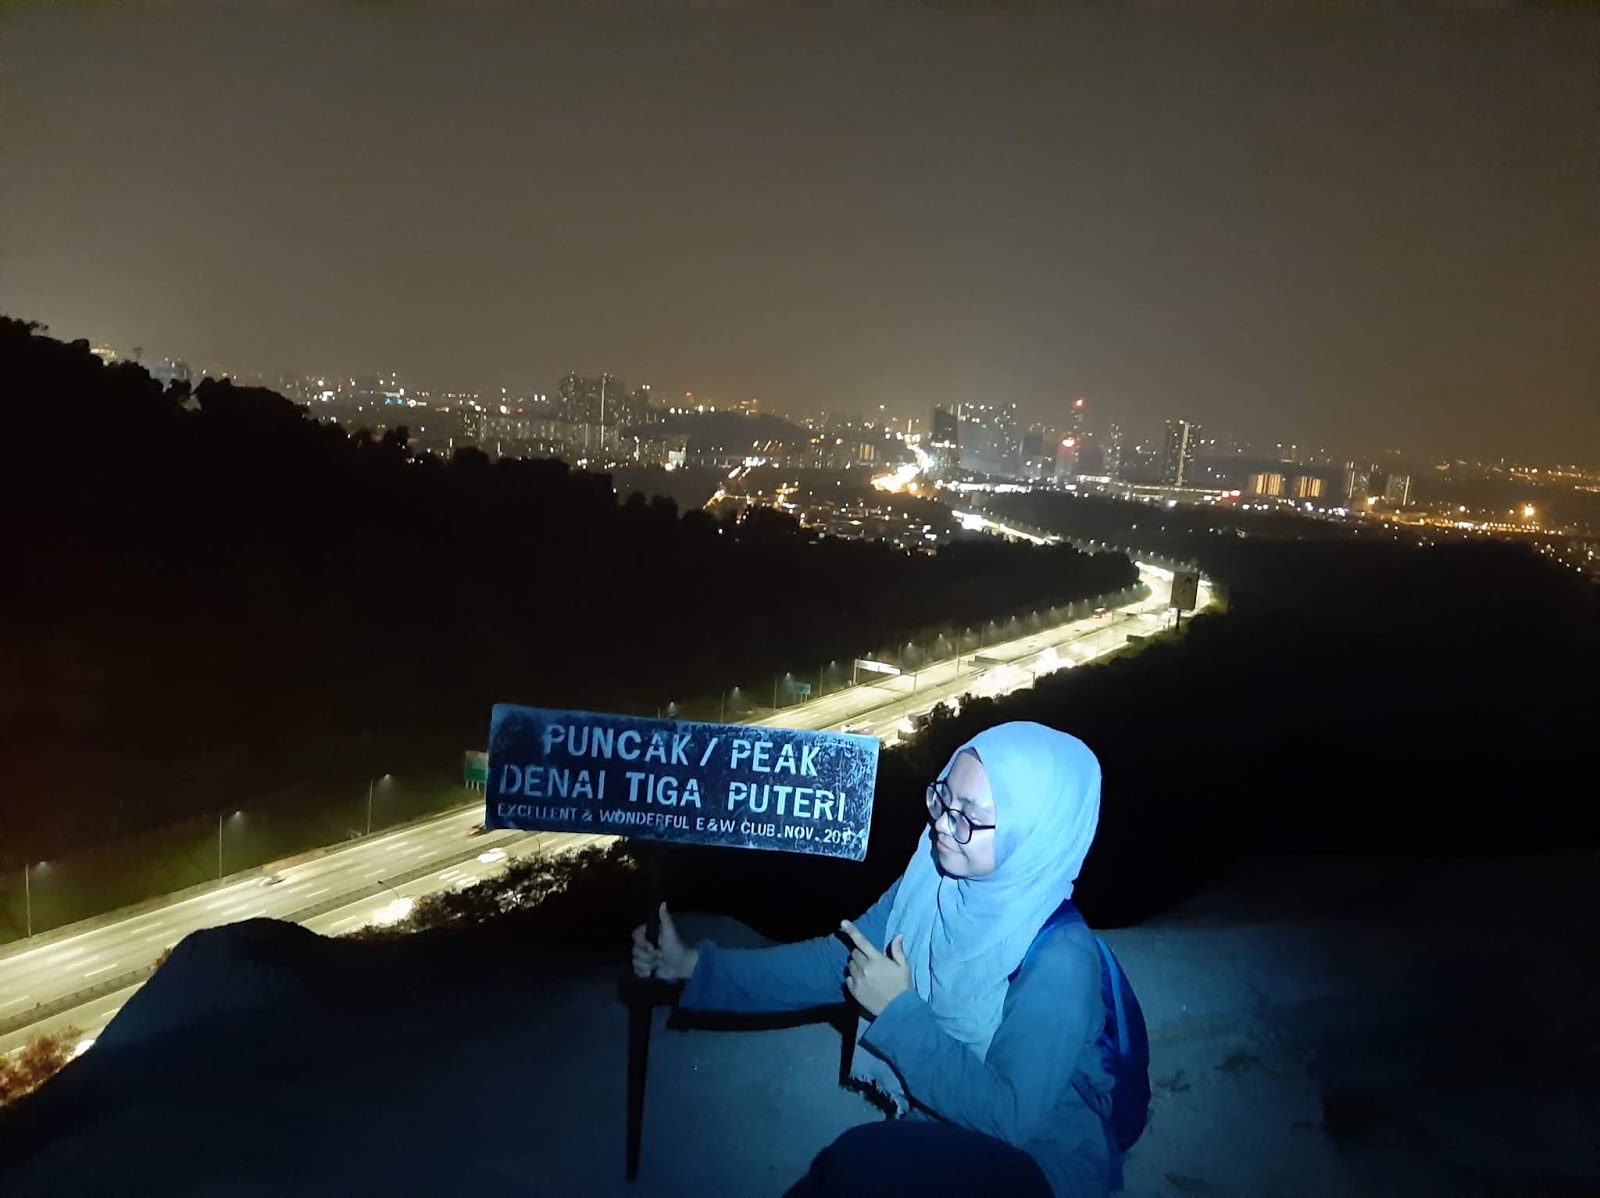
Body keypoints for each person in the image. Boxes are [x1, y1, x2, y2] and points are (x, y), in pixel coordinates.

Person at [631, 721, 1117, 1197]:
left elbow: (1008, 1118)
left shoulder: (1060, 960)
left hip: (1037, 1159)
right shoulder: (933, 880)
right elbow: (837, 963)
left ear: (1033, 835)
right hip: (945, 1120)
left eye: (968, 815)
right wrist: (693, 966)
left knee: (855, 1166)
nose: (942, 825)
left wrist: (898, 1012)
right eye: (942, 797)